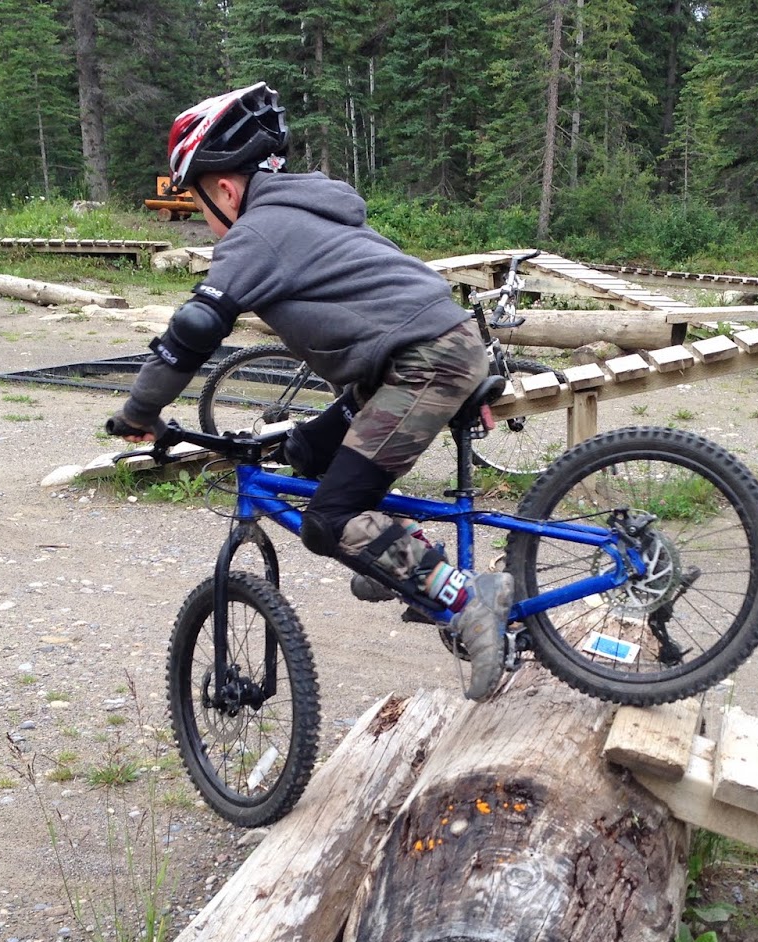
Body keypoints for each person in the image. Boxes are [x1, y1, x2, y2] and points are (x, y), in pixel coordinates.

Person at [108, 82, 511, 701]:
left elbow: (194, 330)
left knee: (328, 519)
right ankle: (400, 552)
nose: (208, 227)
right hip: (410, 359)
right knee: (309, 453)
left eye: (198, 206)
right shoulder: (307, 211)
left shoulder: (258, 231)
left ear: (223, 188)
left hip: (423, 362)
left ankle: (468, 599)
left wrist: (140, 411)